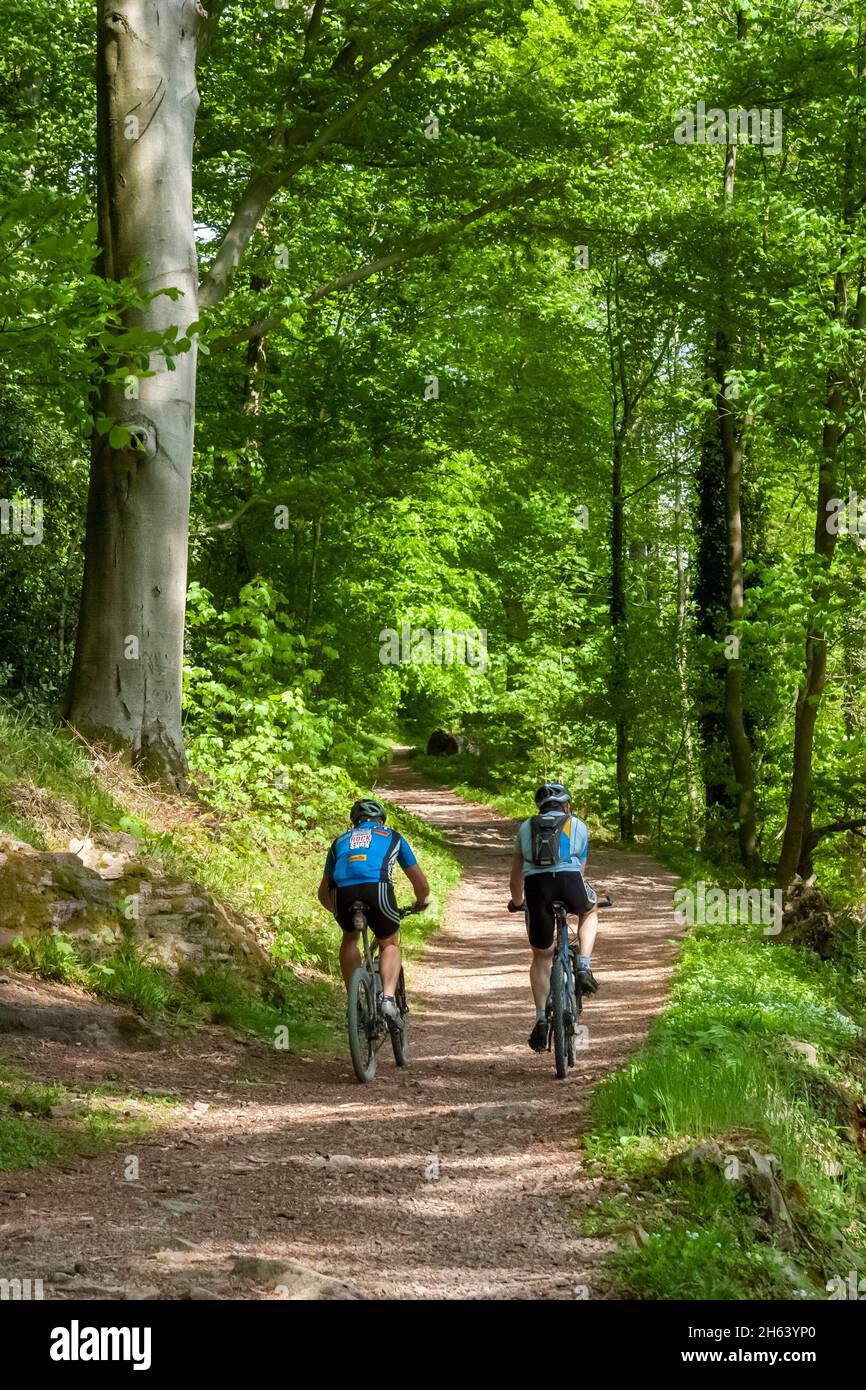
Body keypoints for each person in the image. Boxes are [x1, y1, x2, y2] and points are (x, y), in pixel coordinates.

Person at [508, 781, 600, 1053]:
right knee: (589, 909)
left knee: (541, 955)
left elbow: (516, 874)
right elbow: (580, 870)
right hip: (569, 882)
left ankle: (540, 1018)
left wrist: (517, 902)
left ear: (540, 807)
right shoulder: (578, 825)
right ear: (566, 806)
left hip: (537, 889)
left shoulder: (526, 827)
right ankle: (583, 964)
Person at [318, 797, 429, 1021]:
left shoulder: (340, 841)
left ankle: (354, 1004)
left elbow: (323, 892)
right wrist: (421, 900)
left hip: (342, 893)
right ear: (380, 820)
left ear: (354, 822)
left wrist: (337, 911)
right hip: (376, 888)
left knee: (350, 938)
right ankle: (387, 1000)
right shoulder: (391, 836)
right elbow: (418, 881)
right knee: (389, 943)